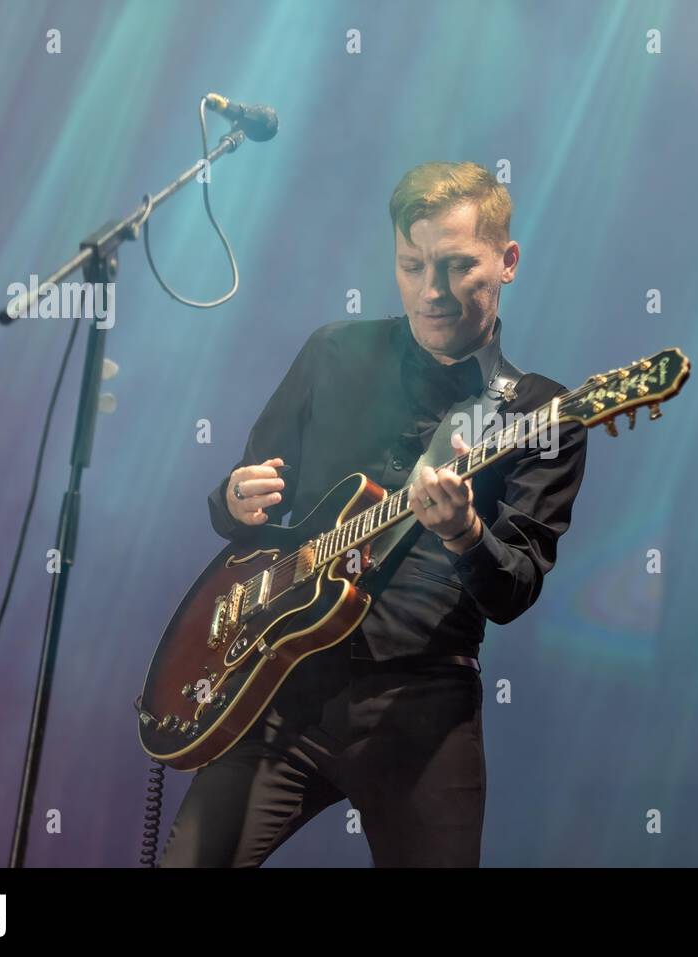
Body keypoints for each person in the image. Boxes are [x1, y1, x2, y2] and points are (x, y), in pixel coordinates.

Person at [159, 161, 588, 867]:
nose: (432, 291)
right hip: (283, 688)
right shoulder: (334, 352)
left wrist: (463, 531)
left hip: (422, 706)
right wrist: (233, 498)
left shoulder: (540, 413)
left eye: (456, 267)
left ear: (508, 261)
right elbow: (245, 511)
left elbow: (514, 590)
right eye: (412, 264)